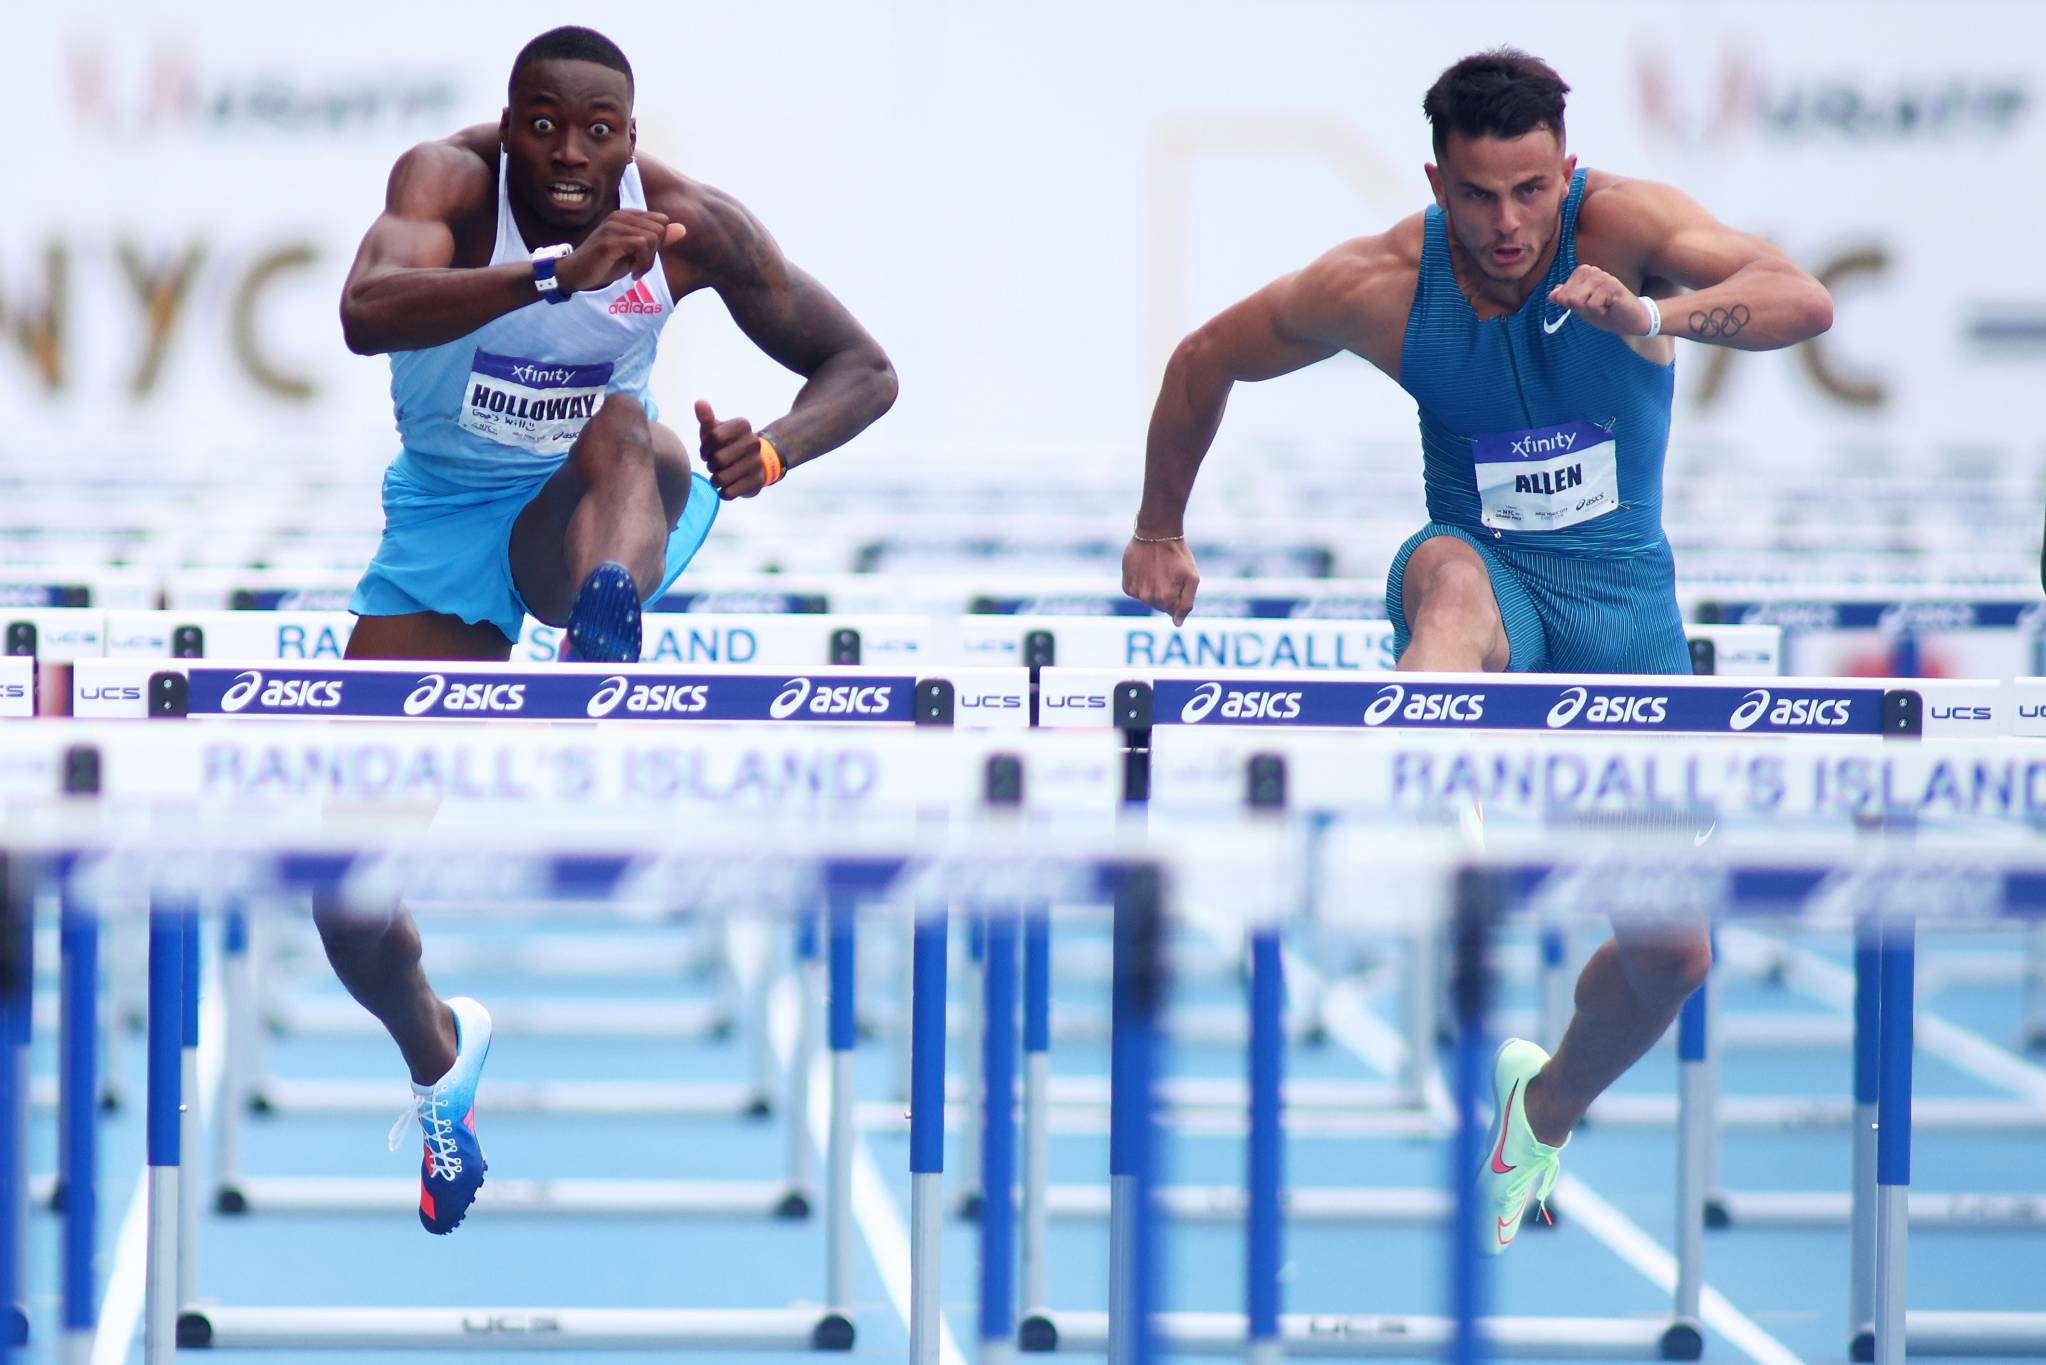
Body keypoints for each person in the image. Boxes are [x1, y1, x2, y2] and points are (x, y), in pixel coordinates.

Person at [1121, 48, 1832, 1255]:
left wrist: (1649, 313)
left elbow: (1802, 301)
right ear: (1437, 182)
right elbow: (1204, 360)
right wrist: (1157, 528)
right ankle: (1418, 822)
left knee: (1672, 958)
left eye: (1532, 192)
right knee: (1449, 589)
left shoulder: (1629, 225)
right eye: (1479, 196)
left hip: (1624, 611)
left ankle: (1540, 1104)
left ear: (1566, 170)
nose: (1509, 225)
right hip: (1483, 570)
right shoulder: (1383, 284)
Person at [331, 25, 896, 1233]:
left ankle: (606, 638)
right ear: (507, 120)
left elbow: (863, 366)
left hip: (597, 509)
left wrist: (782, 445)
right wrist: (553, 277)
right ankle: (440, 1058)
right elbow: (367, 311)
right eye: (543, 126)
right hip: (443, 520)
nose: (569, 156)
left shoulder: (691, 226)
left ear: (633, 142)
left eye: (598, 132)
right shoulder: (444, 182)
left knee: (621, 431)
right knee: (345, 897)